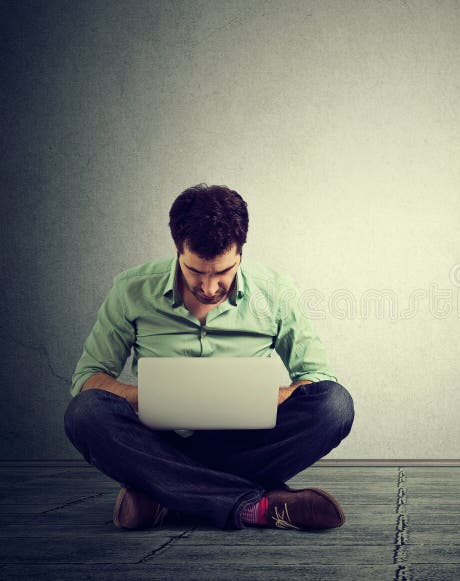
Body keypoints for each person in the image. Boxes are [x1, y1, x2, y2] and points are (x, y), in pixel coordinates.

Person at [64, 184, 354, 531]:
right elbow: (89, 379)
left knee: (334, 406)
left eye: (223, 273)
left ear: (240, 254)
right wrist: (151, 397)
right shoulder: (131, 289)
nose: (210, 287)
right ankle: (256, 508)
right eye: (196, 272)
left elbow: (318, 378)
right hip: (158, 442)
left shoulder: (276, 292)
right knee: (85, 414)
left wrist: (271, 398)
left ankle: (164, 496)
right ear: (177, 249)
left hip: (246, 444)